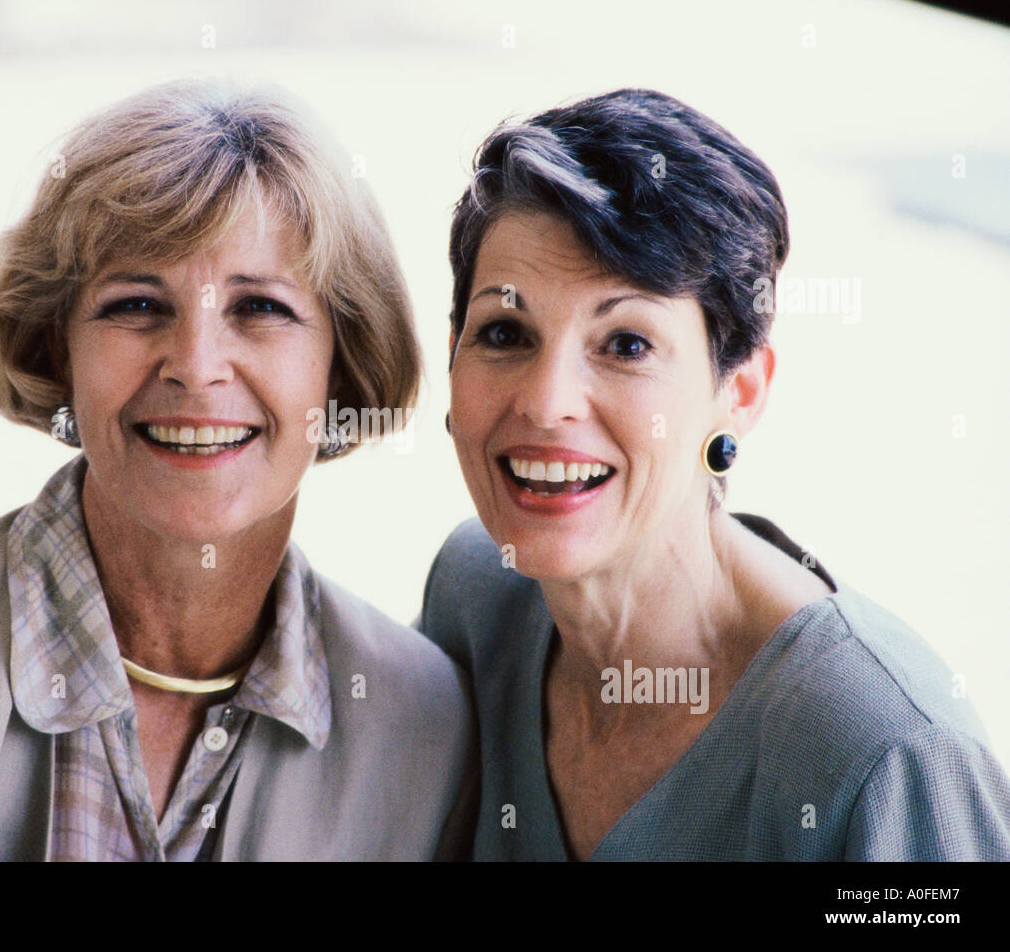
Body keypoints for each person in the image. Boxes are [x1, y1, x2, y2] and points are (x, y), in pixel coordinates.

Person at [0, 79, 475, 861]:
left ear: (341, 366)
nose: (196, 366)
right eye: (137, 304)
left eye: (261, 308)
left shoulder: (425, 725)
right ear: (57, 347)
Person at [419, 88, 1010, 860]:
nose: (547, 402)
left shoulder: (888, 755)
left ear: (740, 391)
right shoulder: (475, 595)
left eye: (626, 343)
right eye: (505, 331)